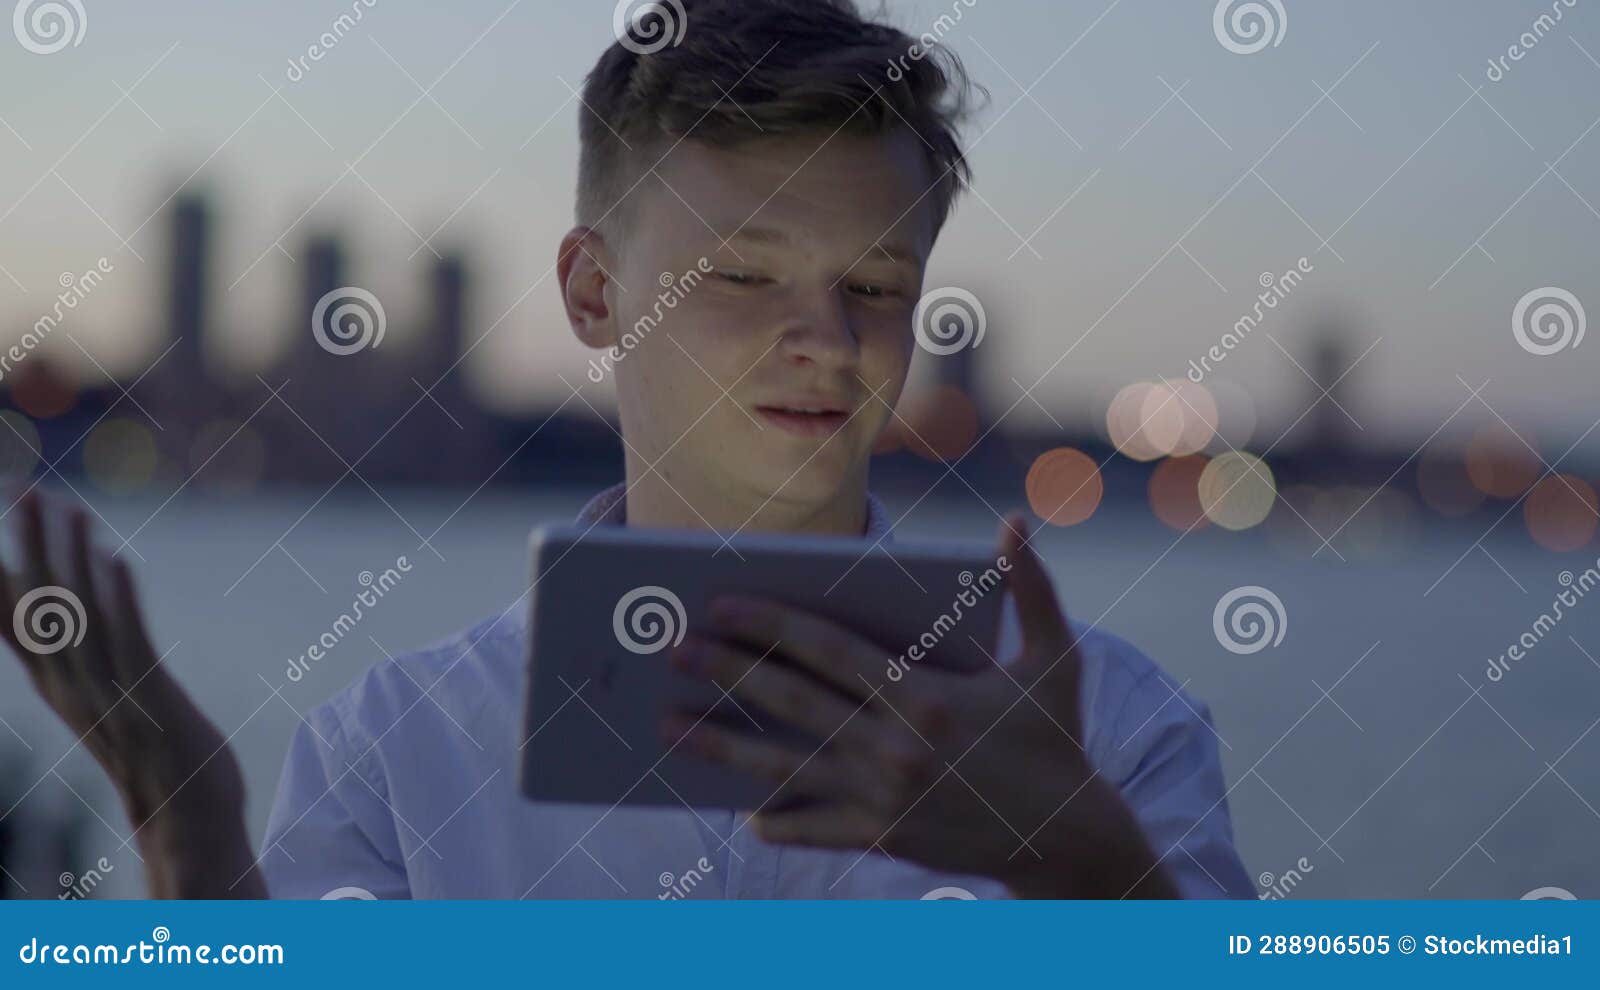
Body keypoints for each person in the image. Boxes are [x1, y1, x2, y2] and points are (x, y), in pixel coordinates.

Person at [0, 0, 1253, 899]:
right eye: (745, 274)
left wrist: (1089, 873)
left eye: (874, 284)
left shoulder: (1114, 736)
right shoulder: (395, 754)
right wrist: (193, 836)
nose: (825, 338)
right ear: (594, 295)